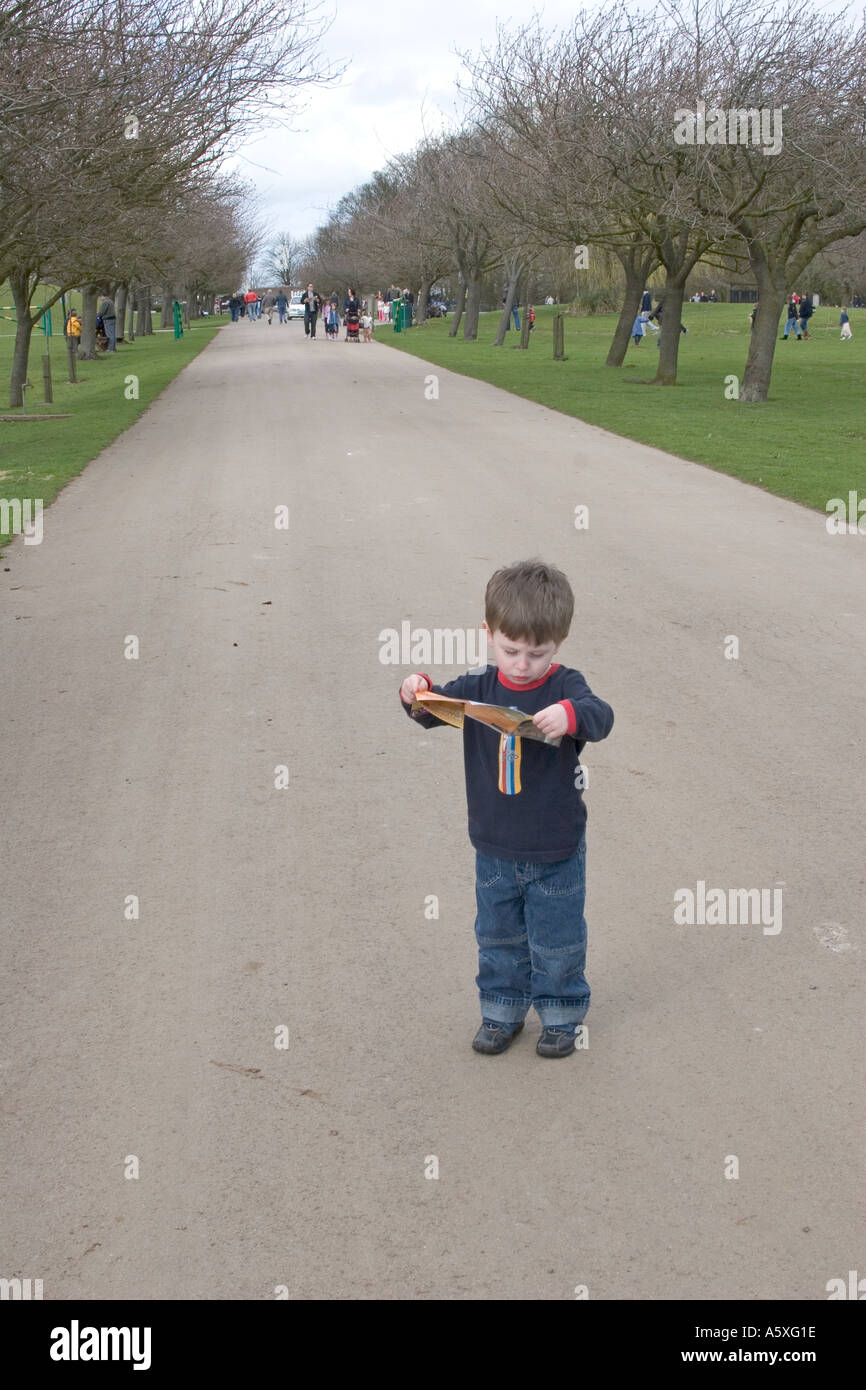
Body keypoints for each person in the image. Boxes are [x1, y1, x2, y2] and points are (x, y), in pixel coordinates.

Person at [398, 559, 614, 1059]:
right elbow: (430, 711)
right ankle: (501, 1010)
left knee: (557, 939)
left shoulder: (565, 686)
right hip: (493, 844)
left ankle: (560, 1014)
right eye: (509, 649)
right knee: (497, 936)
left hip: (555, 845)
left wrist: (570, 714)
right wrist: (414, 690)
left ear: (557, 643)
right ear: (488, 634)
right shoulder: (478, 685)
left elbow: (601, 718)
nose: (521, 664)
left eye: (536, 654)